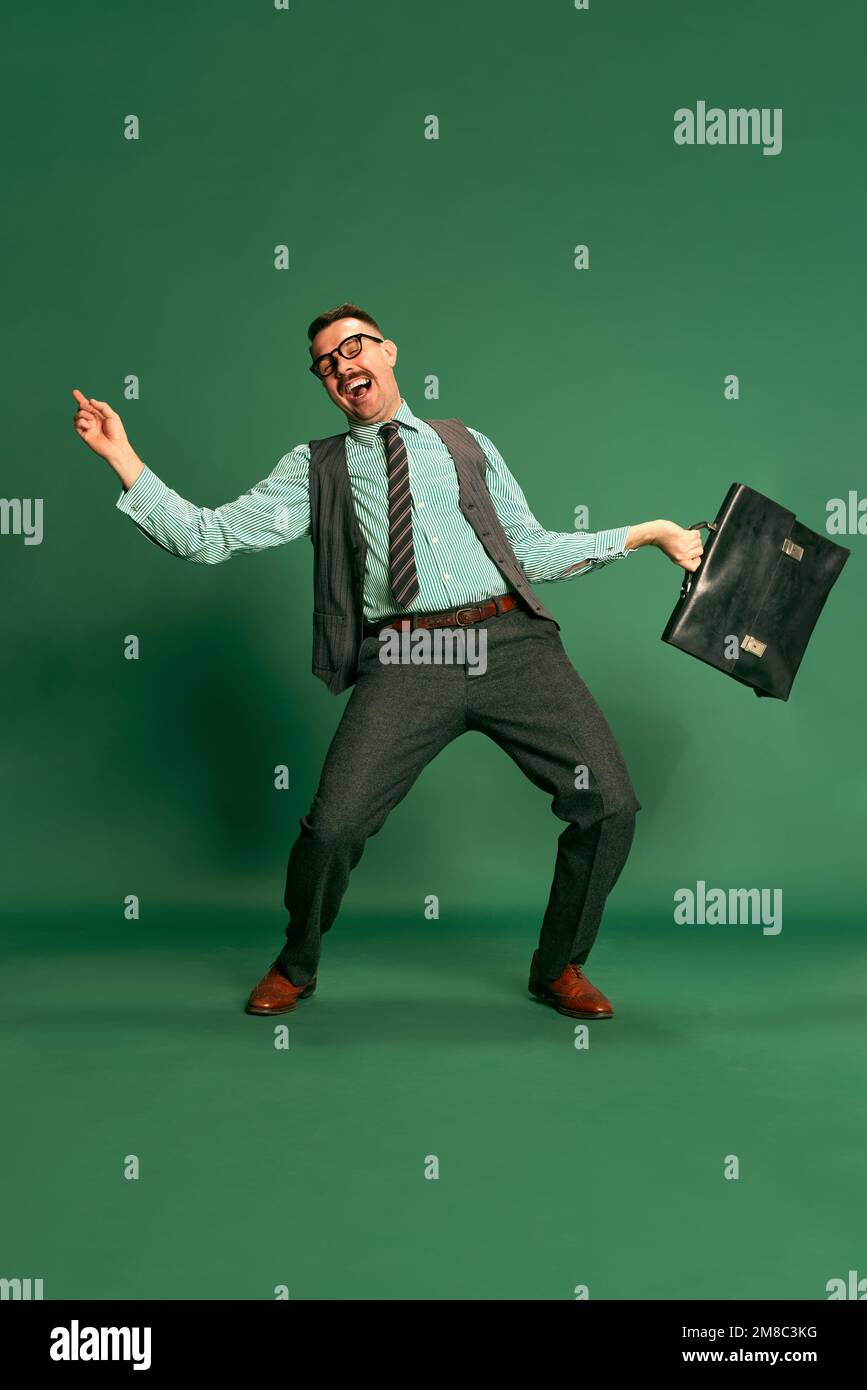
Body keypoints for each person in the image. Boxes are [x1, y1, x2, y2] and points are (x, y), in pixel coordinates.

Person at [72, 303, 703, 1022]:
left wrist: (647, 534)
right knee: (333, 827)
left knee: (609, 805)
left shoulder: (464, 444)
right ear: (326, 384)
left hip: (512, 644)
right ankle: (295, 962)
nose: (343, 365)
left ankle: (558, 966)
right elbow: (207, 536)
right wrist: (122, 456)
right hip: (409, 656)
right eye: (325, 363)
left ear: (389, 352)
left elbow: (528, 550)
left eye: (354, 347)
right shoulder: (317, 468)